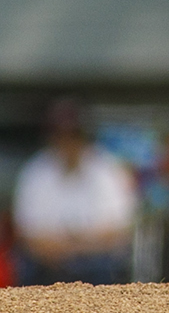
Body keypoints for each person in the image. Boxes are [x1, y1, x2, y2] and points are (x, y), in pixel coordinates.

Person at [11, 98, 137, 285]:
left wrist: (77, 247)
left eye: (73, 134)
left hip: (98, 264)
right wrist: (67, 248)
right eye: (61, 134)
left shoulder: (108, 169)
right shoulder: (35, 172)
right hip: (48, 266)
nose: (67, 141)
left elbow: (119, 230)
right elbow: (28, 235)